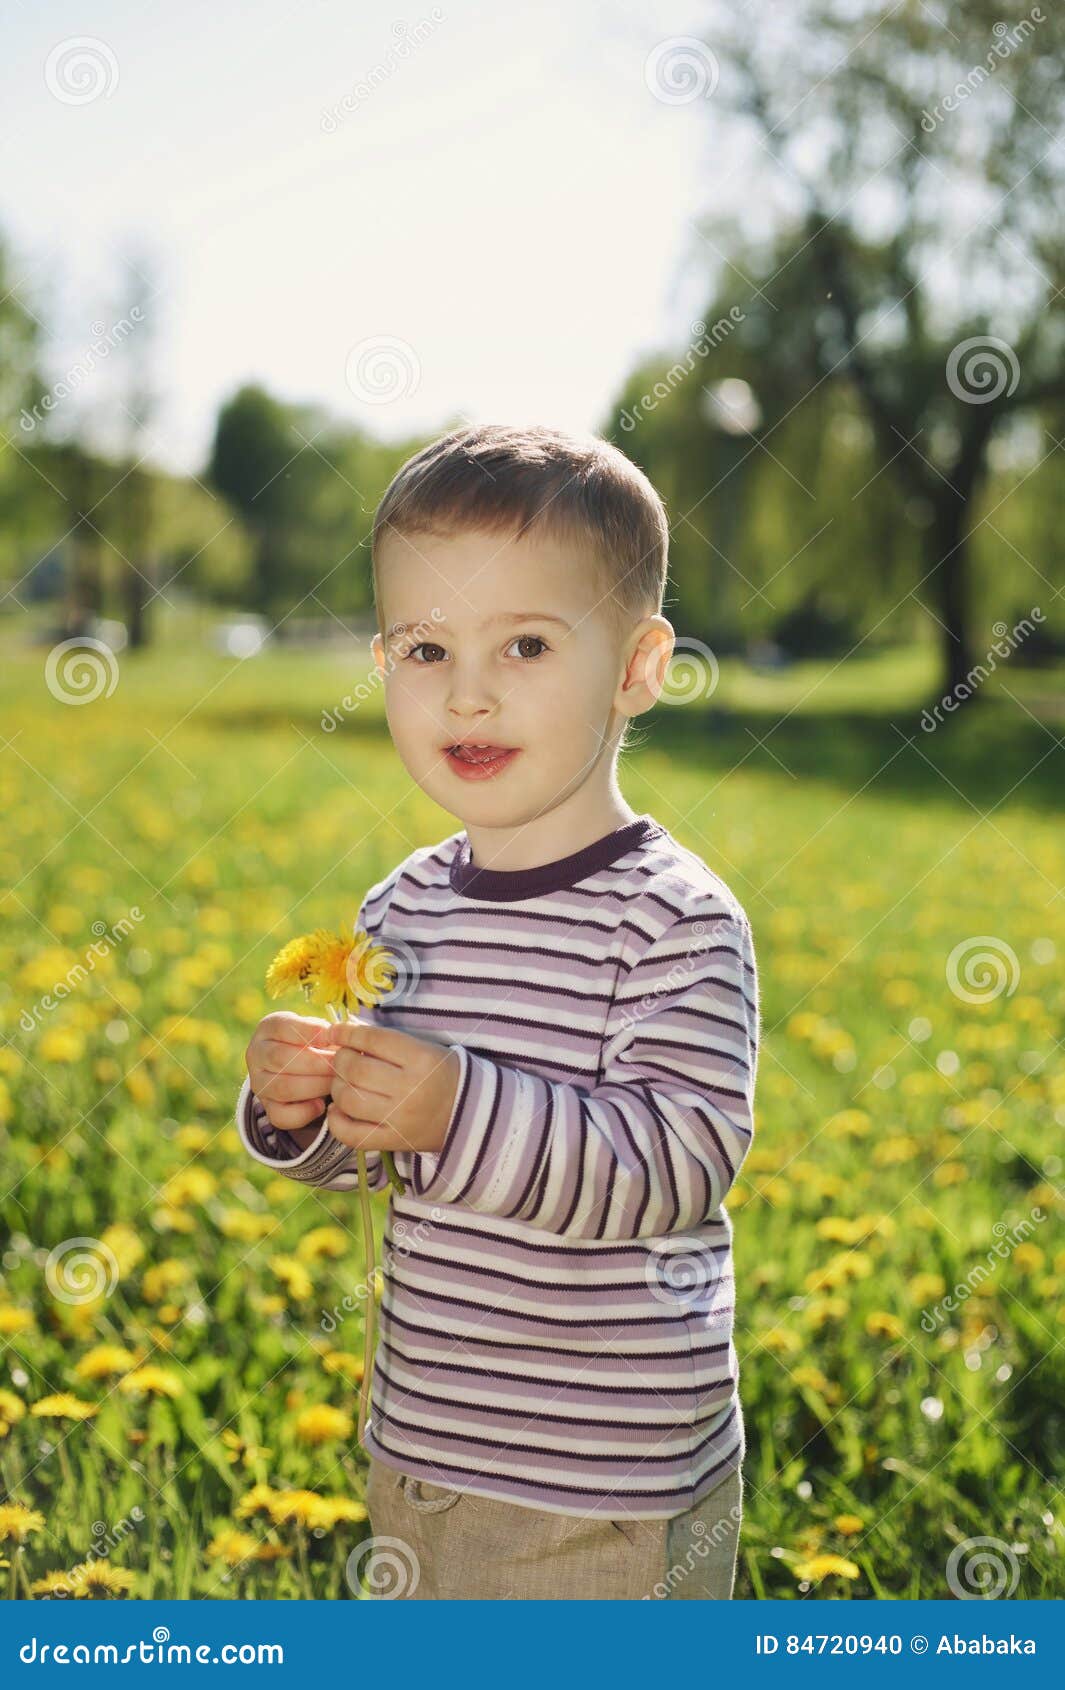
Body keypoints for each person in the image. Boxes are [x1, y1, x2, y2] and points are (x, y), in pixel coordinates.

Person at [236, 422, 760, 1599]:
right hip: (423, 1447)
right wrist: (306, 1109)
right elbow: (383, 1159)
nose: (467, 692)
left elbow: (680, 1163)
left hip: (609, 1488)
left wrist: (458, 1111)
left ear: (637, 666)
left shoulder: (673, 919)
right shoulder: (402, 906)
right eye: (425, 649)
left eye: (525, 643)